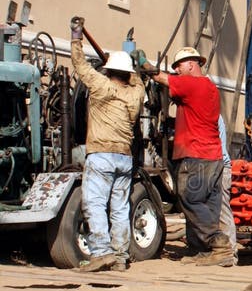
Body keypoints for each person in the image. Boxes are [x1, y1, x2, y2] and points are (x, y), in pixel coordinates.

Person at [70, 16, 145, 272]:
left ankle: (101, 252)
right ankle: (121, 256)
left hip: (101, 154)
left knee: (94, 204)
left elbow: (80, 65)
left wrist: (76, 36)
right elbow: (137, 80)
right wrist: (129, 60)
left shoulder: (101, 86)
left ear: (108, 70)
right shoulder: (135, 94)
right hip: (124, 158)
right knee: (119, 207)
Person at [146, 47, 233, 266]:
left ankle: (219, 244)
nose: (176, 70)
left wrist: (145, 66)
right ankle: (204, 251)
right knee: (209, 205)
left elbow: (161, 77)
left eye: (179, 65)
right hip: (213, 156)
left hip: (197, 155)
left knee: (188, 197)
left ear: (192, 64)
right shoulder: (210, 87)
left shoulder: (193, 83)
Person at [218, 114, 238, 265]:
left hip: (220, 167)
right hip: (219, 166)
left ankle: (230, 252)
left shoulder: (212, 116)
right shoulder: (217, 116)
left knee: (222, 210)